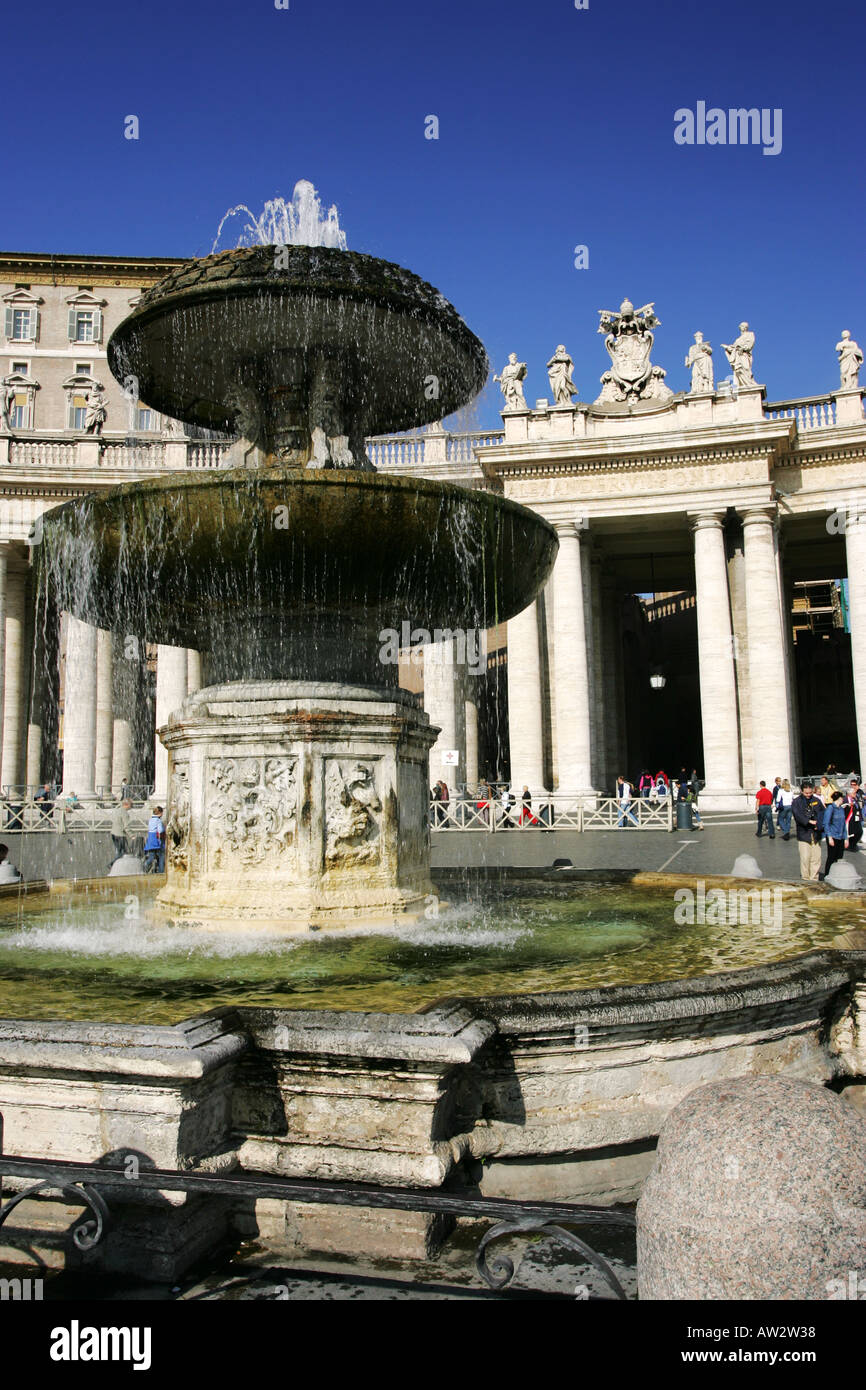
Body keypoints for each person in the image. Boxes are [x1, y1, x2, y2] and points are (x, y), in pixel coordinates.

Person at [792, 781, 824, 881]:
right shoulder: (796, 802)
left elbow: (823, 813)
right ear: (802, 791)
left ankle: (814, 878)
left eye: (810, 793)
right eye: (806, 793)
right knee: (805, 858)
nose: (808, 795)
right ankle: (806, 879)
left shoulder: (816, 800)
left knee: (816, 858)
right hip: (804, 833)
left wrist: (819, 823)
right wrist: (809, 821)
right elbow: (797, 815)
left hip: (815, 833)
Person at [820, 791, 848, 881]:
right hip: (833, 836)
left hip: (841, 836)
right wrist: (829, 837)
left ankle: (837, 875)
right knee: (831, 857)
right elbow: (826, 823)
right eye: (842, 798)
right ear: (839, 799)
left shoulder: (841, 809)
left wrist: (846, 838)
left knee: (839, 858)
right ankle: (827, 876)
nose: (843, 799)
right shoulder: (830, 808)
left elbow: (844, 824)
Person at [143, 806, 165, 873]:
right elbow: (160, 830)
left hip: (150, 840)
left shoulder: (151, 820)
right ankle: (161, 871)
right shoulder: (158, 821)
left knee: (151, 857)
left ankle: (144, 866)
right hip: (156, 840)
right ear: (160, 813)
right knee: (161, 856)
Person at [845, 777, 864, 853]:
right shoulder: (846, 799)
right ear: (850, 794)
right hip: (849, 819)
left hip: (856, 818)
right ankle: (851, 846)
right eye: (853, 793)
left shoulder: (855, 799)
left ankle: (853, 844)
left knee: (859, 832)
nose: (855, 794)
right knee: (852, 833)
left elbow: (859, 807)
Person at [110, 798, 132, 865]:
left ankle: (116, 865)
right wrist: (132, 835)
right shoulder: (125, 813)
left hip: (113, 833)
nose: (132, 806)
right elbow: (126, 826)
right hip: (120, 835)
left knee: (119, 851)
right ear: (127, 804)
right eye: (131, 804)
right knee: (122, 852)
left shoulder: (117, 811)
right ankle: (113, 864)